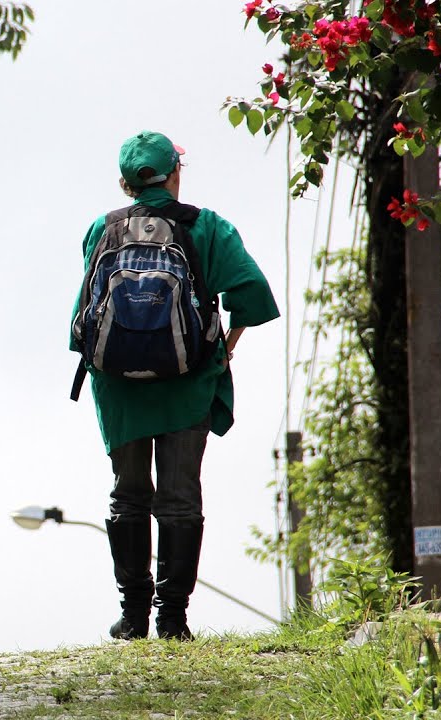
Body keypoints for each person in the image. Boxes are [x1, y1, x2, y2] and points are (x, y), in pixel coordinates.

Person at [69, 130, 280, 641]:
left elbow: (87, 315)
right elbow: (251, 291)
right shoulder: (206, 227)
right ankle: (173, 620)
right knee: (180, 497)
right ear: (175, 173)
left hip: (120, 389)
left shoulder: (102, 228)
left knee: (129, 495)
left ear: (126, 182)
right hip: (187, 385)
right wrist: (228, 341)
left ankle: (134, 617)